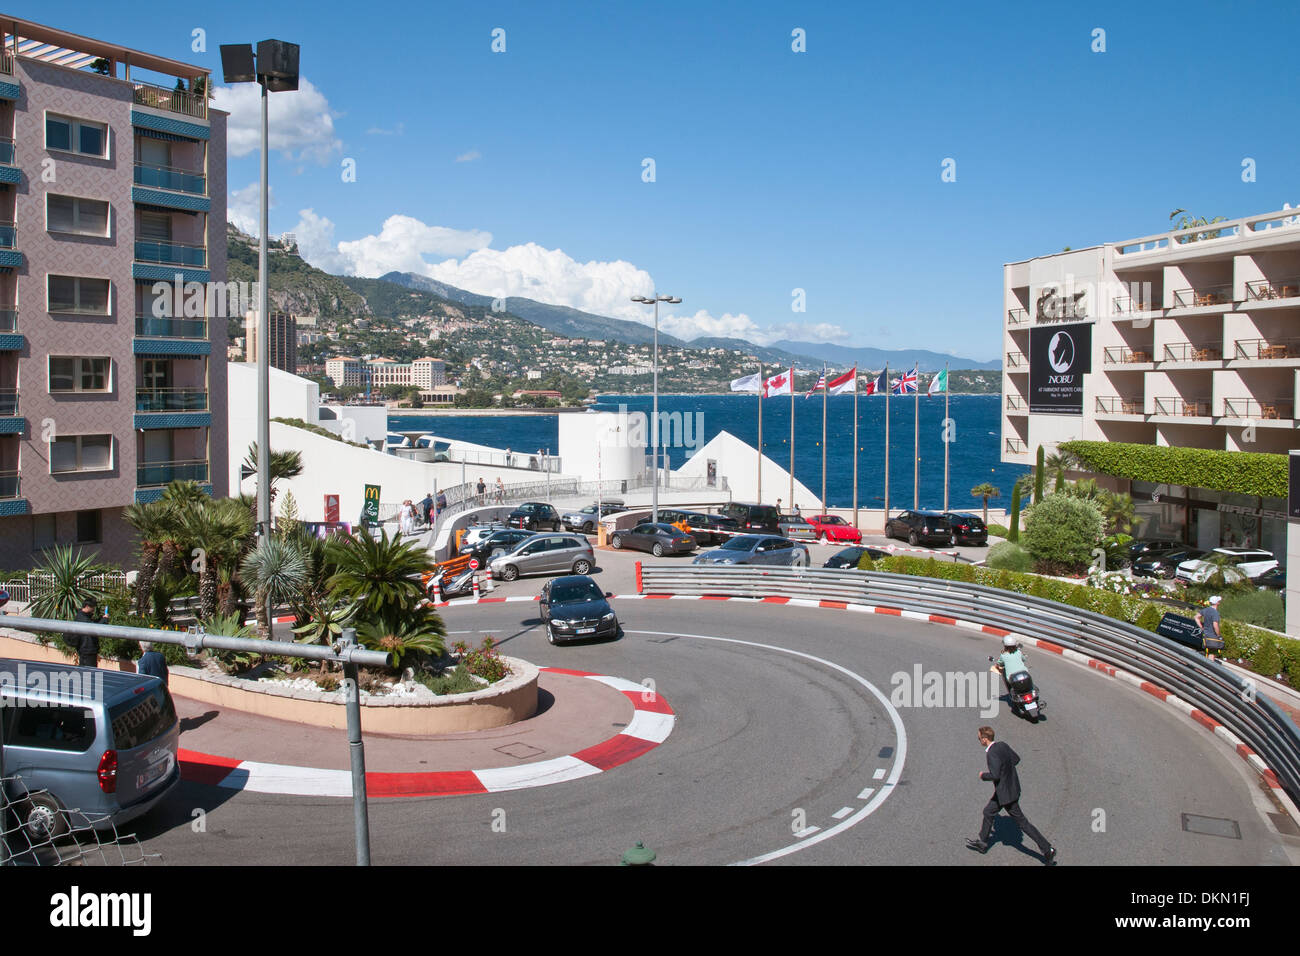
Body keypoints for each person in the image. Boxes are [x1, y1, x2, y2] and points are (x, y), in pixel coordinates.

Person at [967, 726, 1056, 863]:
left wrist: (983, 775)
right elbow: (1016, 759)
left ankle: (1047, 849)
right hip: (1011, 788)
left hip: (1006, 795)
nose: (978, 739)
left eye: (979, 737)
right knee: (988, 812)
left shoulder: (991, 754)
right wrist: (1006, 771)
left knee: (1023, 823)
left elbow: (995, 775)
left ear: (985, 739)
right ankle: (982, 843)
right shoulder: (1002, 745)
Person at [1196, 596, 1224, 661]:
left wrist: (1201, 627)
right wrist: (1218, 635)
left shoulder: (1205, 610)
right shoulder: (1215, 613)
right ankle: (1209, 667)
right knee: (1212, 652)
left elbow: (1196, 617)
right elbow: (1215, 625)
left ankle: (1205, 665)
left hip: (1206, 633)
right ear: (1217, 603)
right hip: (1213, 635)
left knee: (1207, 651)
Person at [74, 599, 99, 668]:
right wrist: (104, 620)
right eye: (92, 607)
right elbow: (94, 628)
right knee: (88, 671)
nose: (93, 609)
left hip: (85, 649)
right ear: (87, 606)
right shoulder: (83, 619)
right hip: (87, 650)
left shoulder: (80, 616)